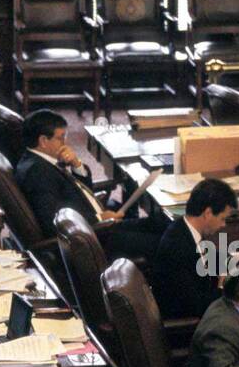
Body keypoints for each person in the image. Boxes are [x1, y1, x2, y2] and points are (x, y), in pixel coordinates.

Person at [13, 109, 164, 261]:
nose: (65, 144)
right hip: (96, 238)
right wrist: (99, 218)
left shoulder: (38, 161)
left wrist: (76, 165)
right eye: (60, 138)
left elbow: (80, 191)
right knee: (164, 243)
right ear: (43, 141)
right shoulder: (37, 172)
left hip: (98, 226)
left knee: (160, 224)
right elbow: (53, 223)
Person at [151, 178, 238, 321]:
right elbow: (196, 306)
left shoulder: (183, 228)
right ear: (208, 213)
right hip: (189, 327)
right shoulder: (177, 248)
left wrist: (235, 262)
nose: (224, 225)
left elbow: (207, 255)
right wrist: (222, 287)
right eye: (222, 218)